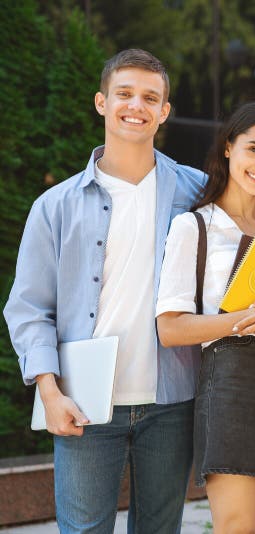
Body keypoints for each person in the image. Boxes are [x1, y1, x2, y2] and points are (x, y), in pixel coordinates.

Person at [3, 49, 205, 532]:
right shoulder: (55, 206)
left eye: (150, 97)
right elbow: (29, 308)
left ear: (164, 111)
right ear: (101, 101)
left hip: (172, 402)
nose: (136, 105)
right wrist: (49, 392)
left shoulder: (197, 192)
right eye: (125, 94)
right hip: (84, 402)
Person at [155, 102, 255, 533]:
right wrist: (244, 319)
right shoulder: (195, 228)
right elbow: (170, 328)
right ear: (229, 148)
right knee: (237, 528)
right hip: (228, 393)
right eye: (254, 149)